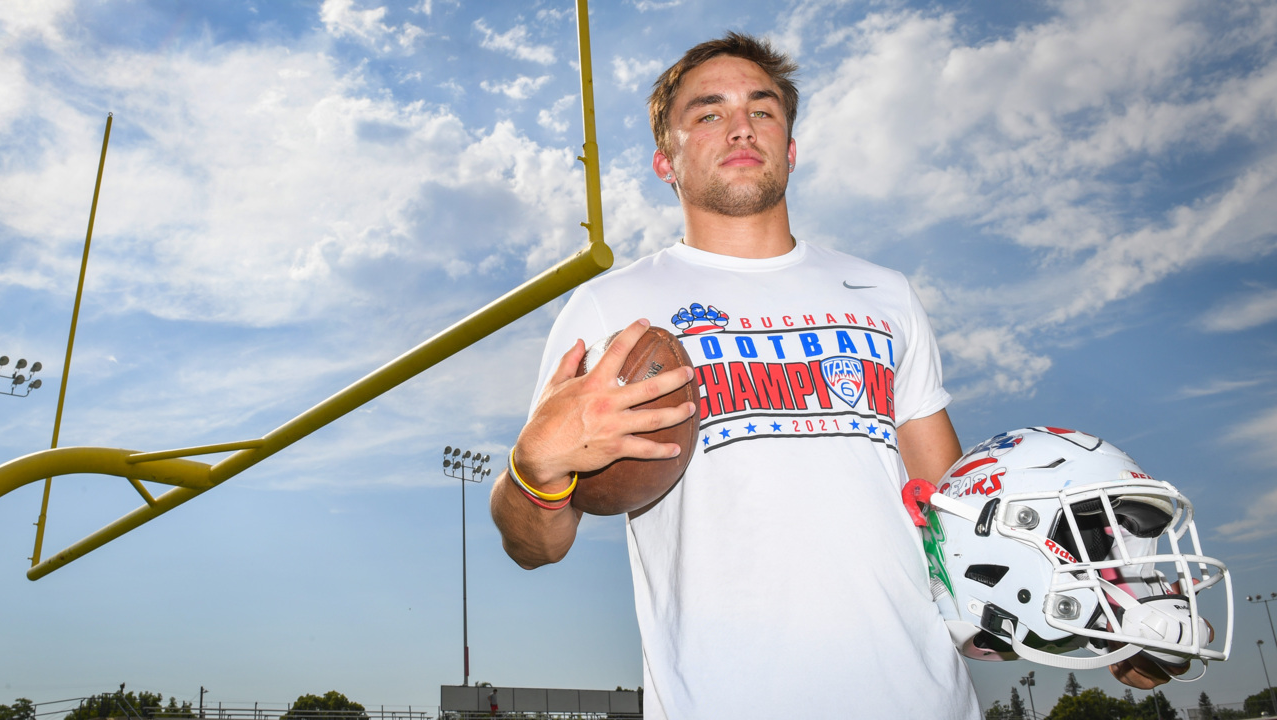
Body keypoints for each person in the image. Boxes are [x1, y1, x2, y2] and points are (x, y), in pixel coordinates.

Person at [489, 32, 1152, 718]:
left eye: (762, 109)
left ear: (791, 148)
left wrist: (1100, 602)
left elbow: (953, 509)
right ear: (666, 162)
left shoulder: (884, 294)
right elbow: (533, 547)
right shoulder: (611, 311)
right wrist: (534, 468)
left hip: (923, 700)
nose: (741, 126)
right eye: (709, 112)